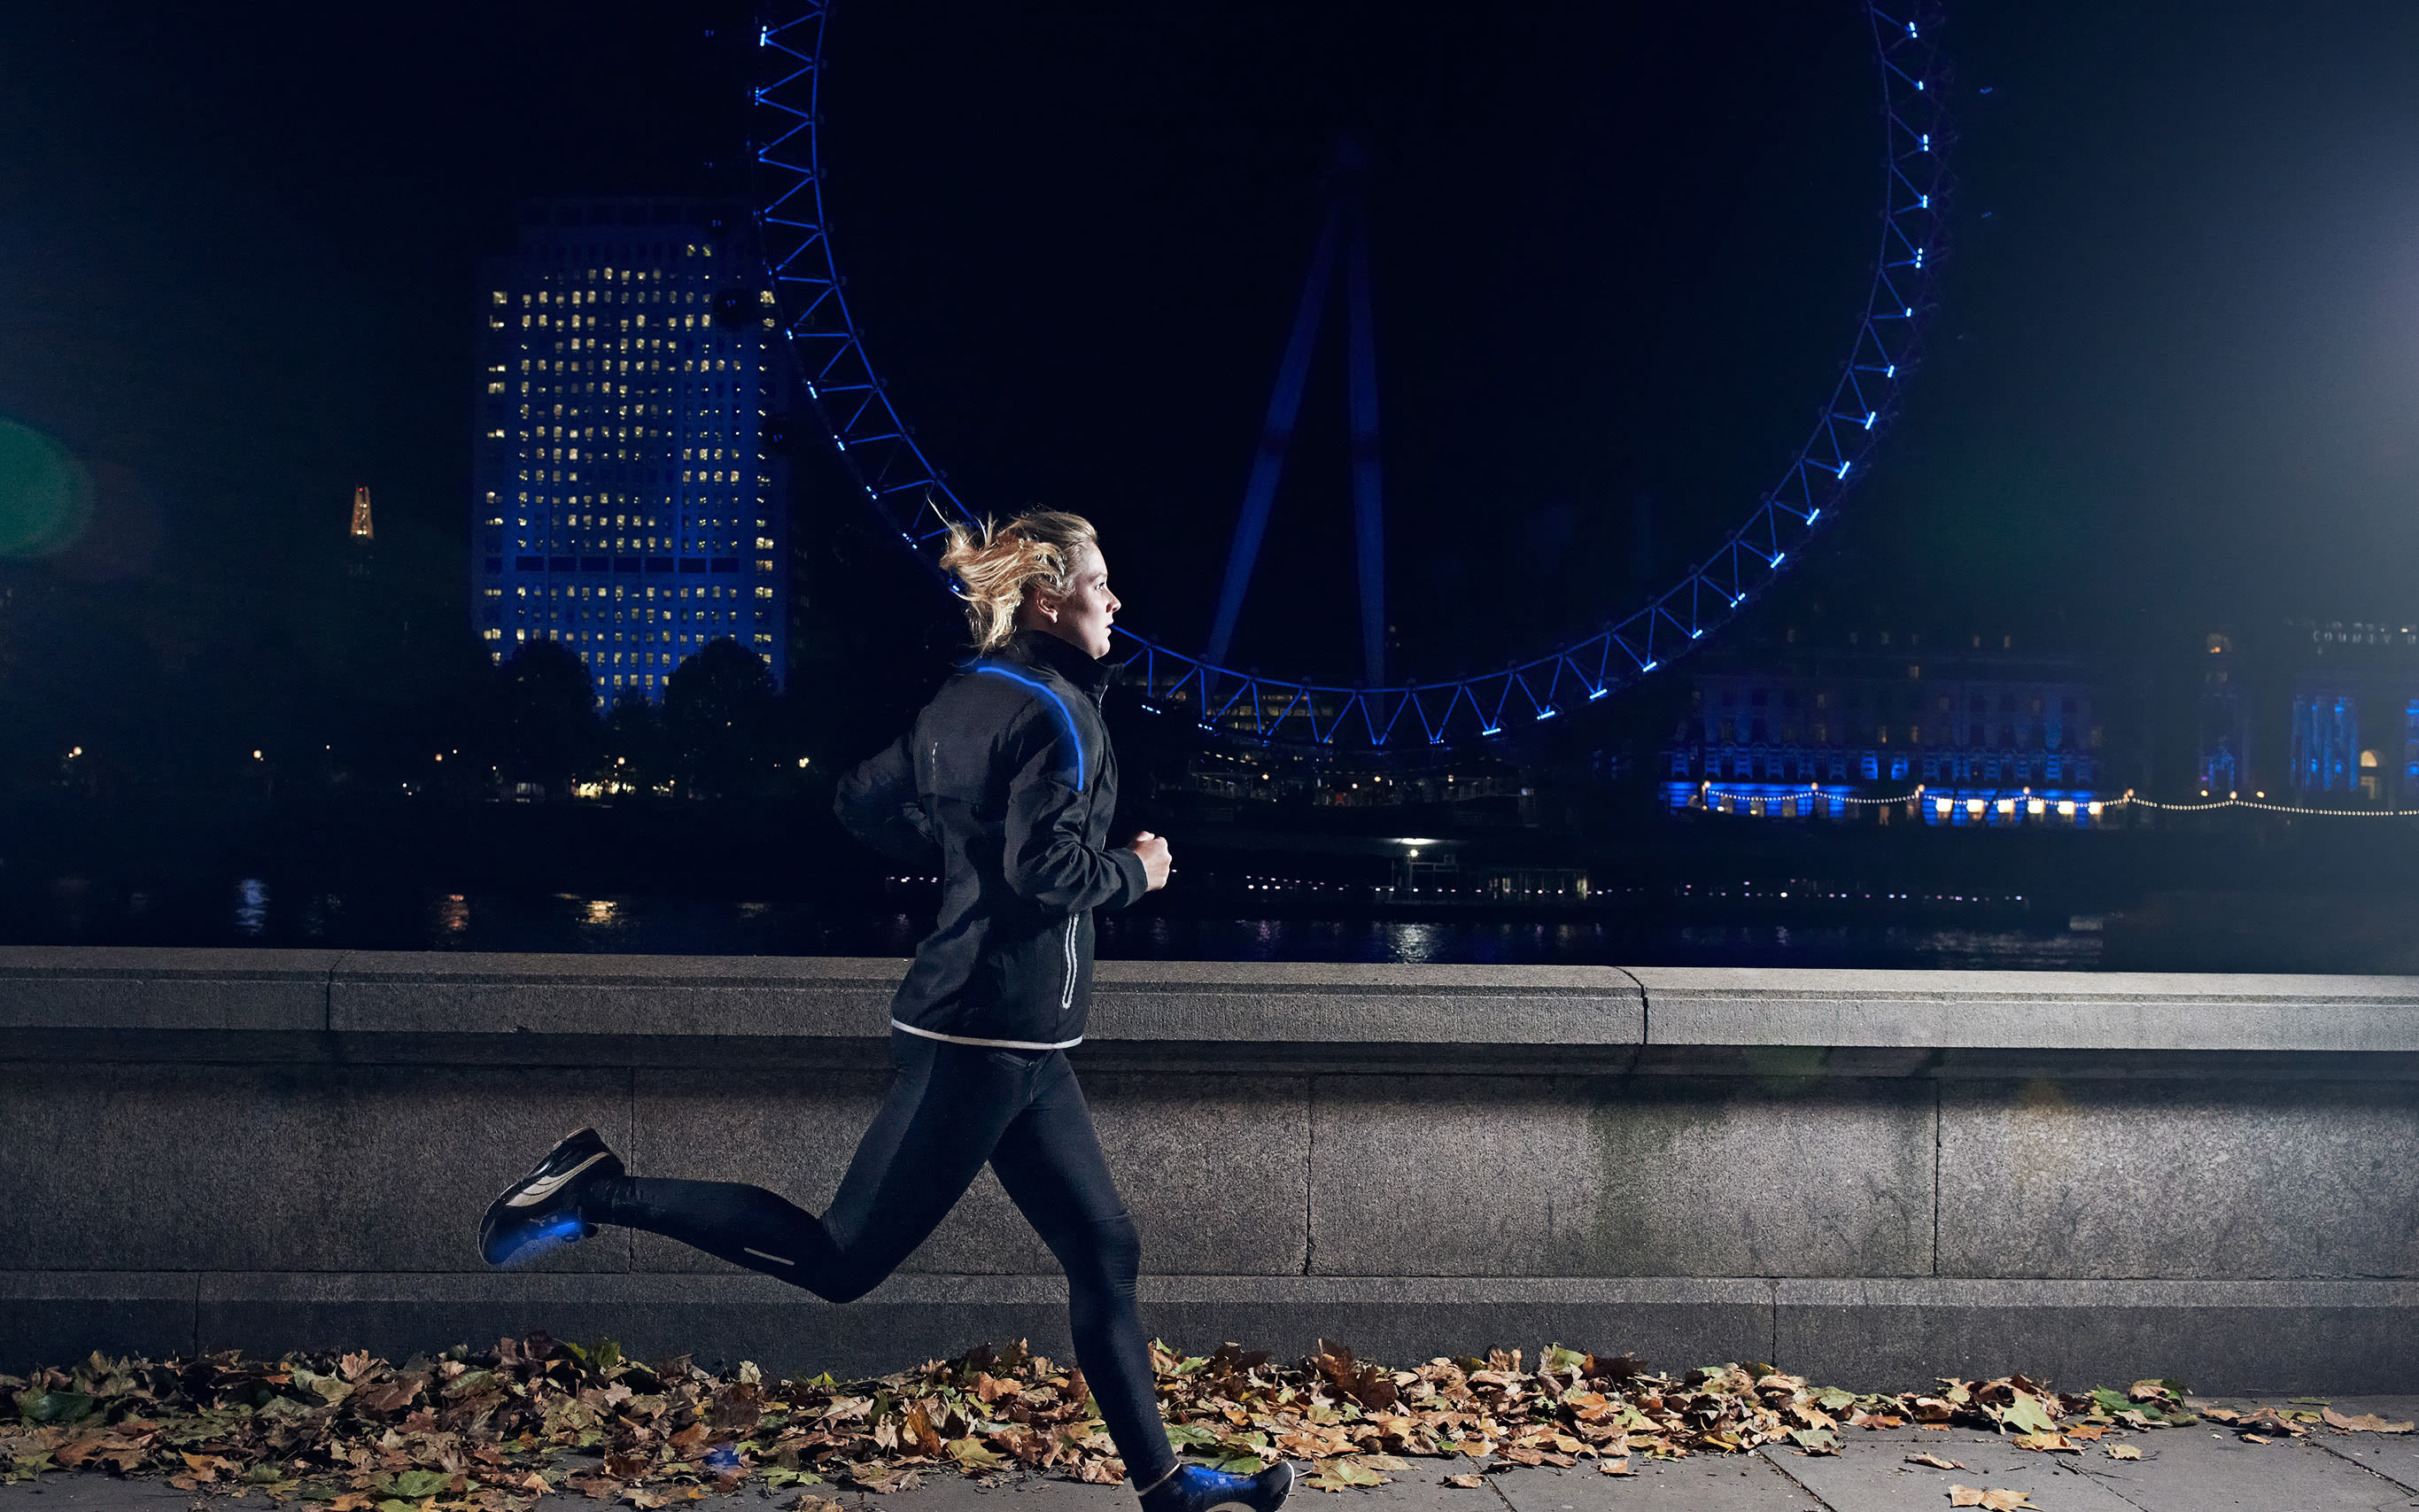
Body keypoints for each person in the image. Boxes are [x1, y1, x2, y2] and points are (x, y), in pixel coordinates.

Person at [477, 512, 1293, 1512]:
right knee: (839, 1261)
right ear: (1047, 597)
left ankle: (1165, 1484)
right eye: (1099, 582)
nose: (1115, 602)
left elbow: (862, 802)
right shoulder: (1060, 716)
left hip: (1017, 1038)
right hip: (984, 1037)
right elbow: (1045, 873)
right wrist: (1140, 868)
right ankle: (593, 1191)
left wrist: (958, 858)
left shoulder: (964, 695)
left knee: (1104, 1251)